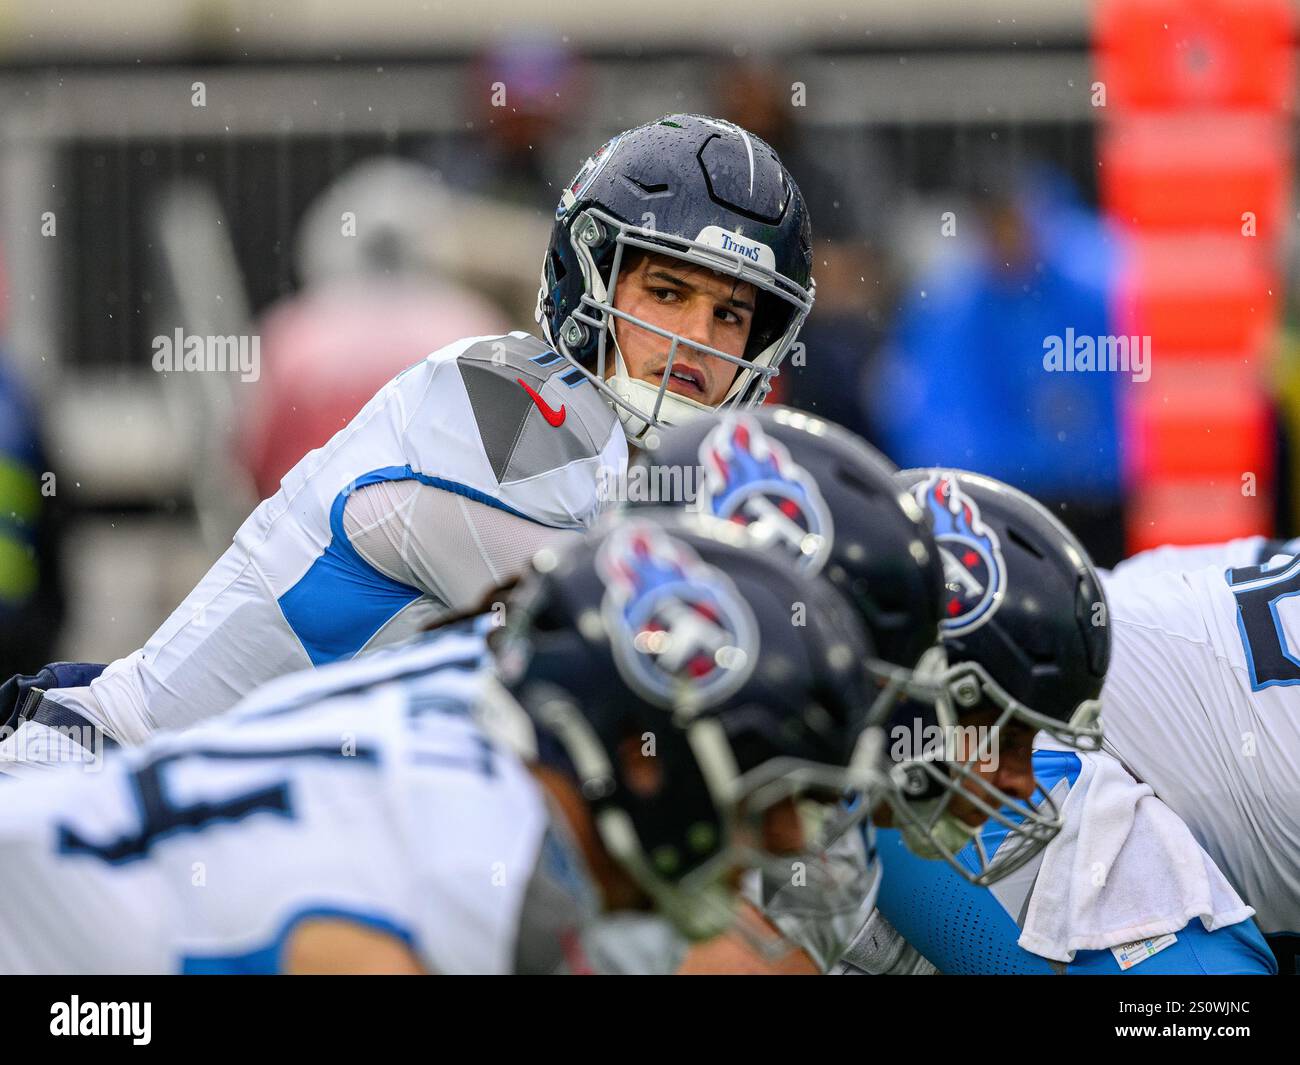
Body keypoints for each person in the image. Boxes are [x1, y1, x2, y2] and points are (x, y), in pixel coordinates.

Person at [0, 114, 815, 773]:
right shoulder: (498, 402)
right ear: (588, 279)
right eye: (667, 292)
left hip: (257, 844)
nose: (696, 341)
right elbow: (654, 684)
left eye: (731, 314)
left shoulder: (644, 468)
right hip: (99, 802)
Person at [0, 511, 882, 974]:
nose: (788, 843)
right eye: (762, 799)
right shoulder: (478, 880)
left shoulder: (489, 707)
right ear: (644, 753)